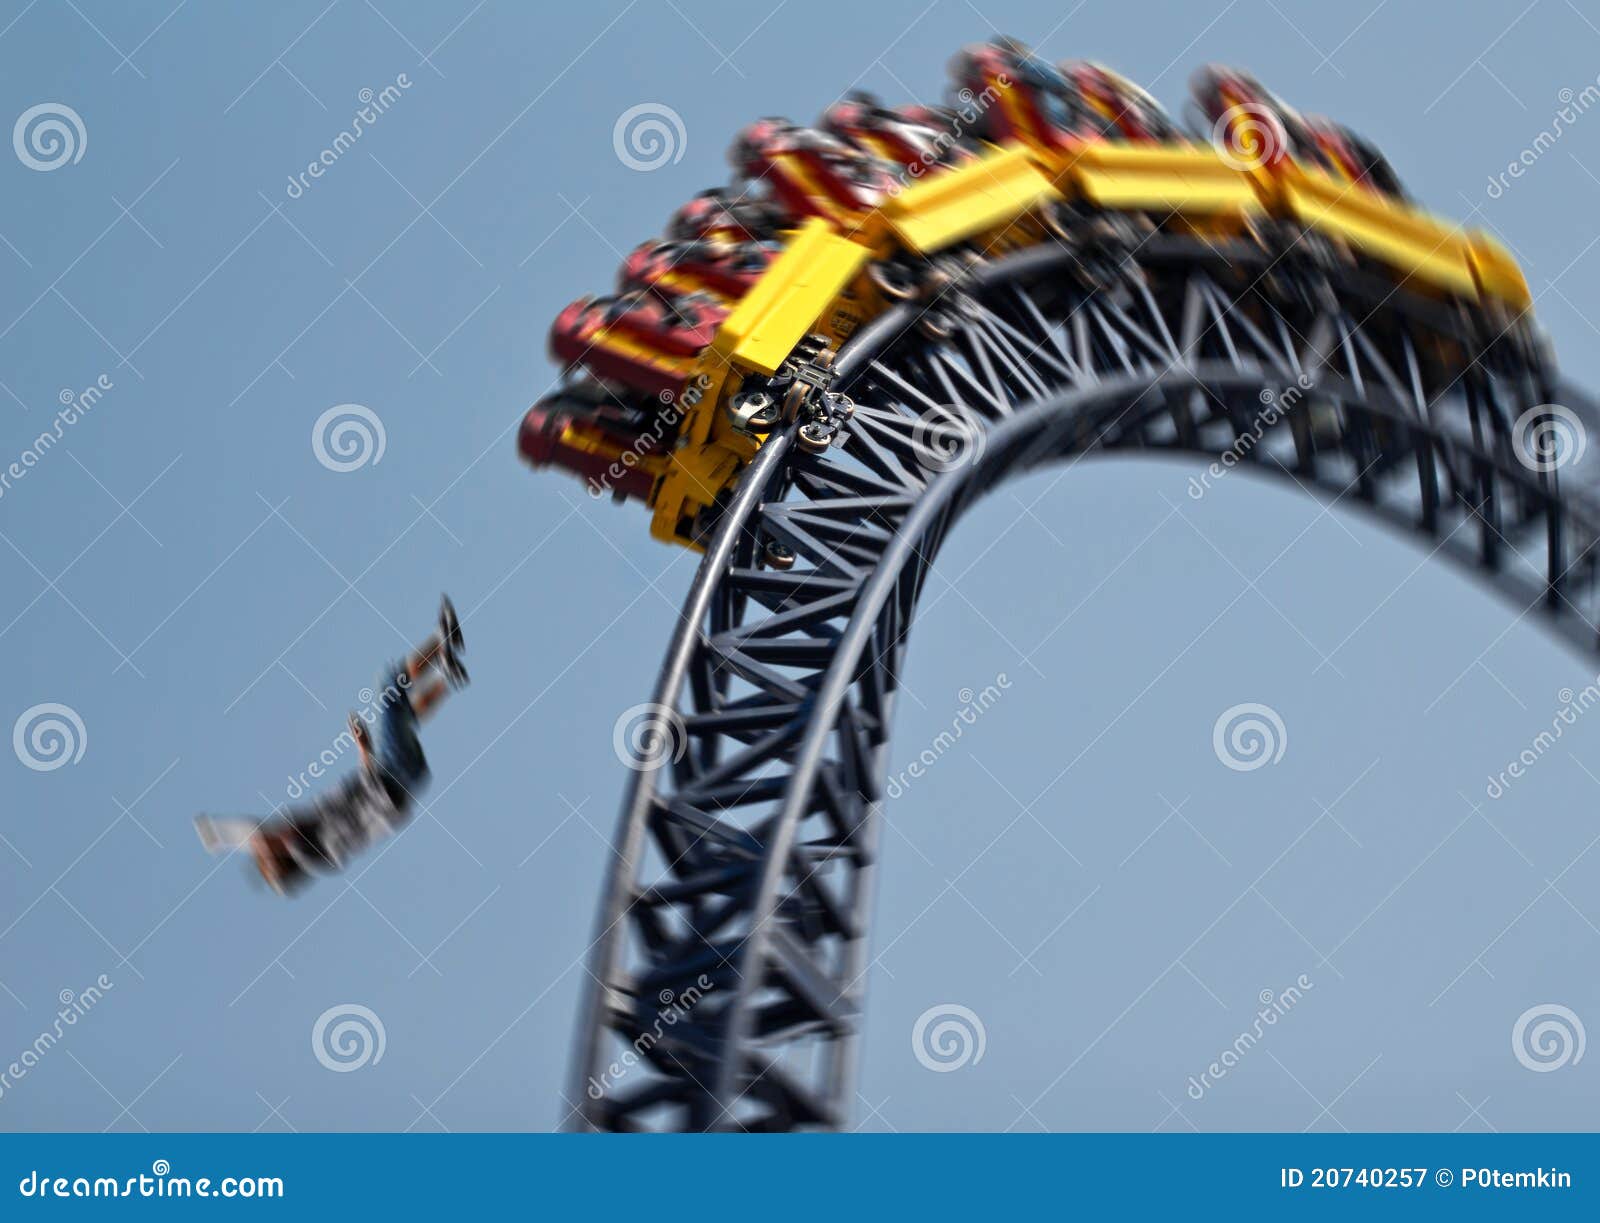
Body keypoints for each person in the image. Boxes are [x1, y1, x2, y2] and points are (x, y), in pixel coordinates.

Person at [195, 596, 468, 895]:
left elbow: (362, 809)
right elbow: (263, 837)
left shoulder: (323, 846)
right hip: (393, 778)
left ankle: (448, 677)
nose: (278, 826)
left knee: (405, 715)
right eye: (275, 842)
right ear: (283, 853)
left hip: (408, 782)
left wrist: (222, 837)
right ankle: (442, 643)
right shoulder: (307, 843)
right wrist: (218, 834)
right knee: (390, 687)